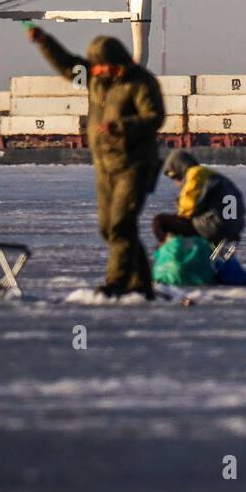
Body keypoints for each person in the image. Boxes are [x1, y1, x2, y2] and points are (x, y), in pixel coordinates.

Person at [29, 27, 164, 298]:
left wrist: (121, 126)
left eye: (103, 67)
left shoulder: (140, 83)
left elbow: (154, 117)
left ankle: (116, 284)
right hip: (104, 166)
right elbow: (67, 64)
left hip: (134, 164)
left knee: (121, 224)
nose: (98, 72)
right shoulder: (95, 79)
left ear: (118, 62)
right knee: (109, 227)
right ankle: (142, 284)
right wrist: (45, 41)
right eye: (97, 67)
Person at [154, 149, 246, 285]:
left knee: (160, 222)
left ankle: (169, 258)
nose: (176, 183)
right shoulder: (214, 175)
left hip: (215, 226)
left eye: (175, 178)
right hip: (232, 226)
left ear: (178, 169)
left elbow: (188, 206)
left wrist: (176, 223)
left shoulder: (194, 173)